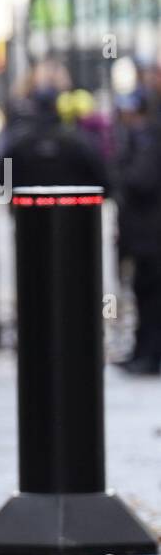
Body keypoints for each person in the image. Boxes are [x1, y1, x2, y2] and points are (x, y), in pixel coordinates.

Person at [114, 93, 161, 375]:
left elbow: (139, 181)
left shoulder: (148, 142)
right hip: (142, 236)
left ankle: (149, 354)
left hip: (151, 237)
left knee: (151, 297)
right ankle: (142, 351)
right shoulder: (139, 139)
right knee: (143, 295)